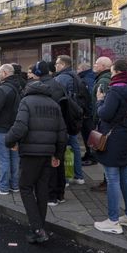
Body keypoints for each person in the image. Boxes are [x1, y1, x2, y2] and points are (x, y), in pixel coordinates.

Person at [5, 80, 67, 244]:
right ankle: (40, 226)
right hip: (47, 154)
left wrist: (9, 141)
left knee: (25, 188)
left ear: (28, 90)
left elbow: (20, 127)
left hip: (31, 154)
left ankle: (38, 229)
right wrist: (58, 155)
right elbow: (62, 133)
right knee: (42, 190)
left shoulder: (26, 101)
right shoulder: (54, 104)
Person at [93, 59, 127, 234]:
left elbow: (105, 114)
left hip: (112, 138)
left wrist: (99, 101)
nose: (111, 75)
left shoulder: (115, 90)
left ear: (117, 72)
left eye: (112, 72)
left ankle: (113, 220)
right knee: (125, 177)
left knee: (113, 179)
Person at [31, 61, 68, 206]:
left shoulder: (42, 87)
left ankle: (51, 196)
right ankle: (60, 194)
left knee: (49, 165)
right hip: (61, 129)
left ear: (38, 73)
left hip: (47, 131)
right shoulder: (58, 83)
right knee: (59, 161)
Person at [0, 64, 21, 195]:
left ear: (5, 73)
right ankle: (14, 184)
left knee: (3, 159)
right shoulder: (18, 86)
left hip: (2, 128)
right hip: (15, 128)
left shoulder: (3, 89)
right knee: (14, 158)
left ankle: (2, 187)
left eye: (0, 72)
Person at [54, 55, 85, 185]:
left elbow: (57, 98)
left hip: (64, 117)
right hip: (74, 116)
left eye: (57, 63)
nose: (55, 66)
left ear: (62, 65)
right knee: (75, 146)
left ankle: (66, 178)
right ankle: (79, 176)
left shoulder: (61, 78)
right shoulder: (75, 76)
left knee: (63, 147)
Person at [90, 56, 112, 192]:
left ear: (103, 66)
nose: (94, 65)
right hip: (103, 120)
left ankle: (108, 181)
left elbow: (101, 102)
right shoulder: (104, 78)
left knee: (104, 151)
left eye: (96, 64)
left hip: (101, 121)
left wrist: (96, 118)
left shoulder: (103, 81)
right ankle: (108, 180)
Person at [78, 62, 96, 166]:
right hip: (88, 113)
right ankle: (89, 154)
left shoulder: (87, 79)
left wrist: (88, 112)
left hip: (88, 115)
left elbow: (89, 97)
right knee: (87, 136)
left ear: (83, 69)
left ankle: (92, 157)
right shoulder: (87, 77)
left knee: (90, 135)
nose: (77, 70)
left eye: (78, 68)